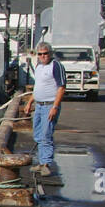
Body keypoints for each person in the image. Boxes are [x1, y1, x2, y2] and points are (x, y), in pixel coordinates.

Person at [24, 42, 65, 175]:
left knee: (46, 135)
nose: (43, 56)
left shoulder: (56, 66)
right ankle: (41, 162)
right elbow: (38, 86)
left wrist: (55, 107)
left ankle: (46, 163)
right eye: (40, 54)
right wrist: (30, 102)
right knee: (37, 134)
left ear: (50, 53)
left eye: (45, 53)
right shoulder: (39, 66)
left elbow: (61, 87)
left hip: (49, 105)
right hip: (39, 105)